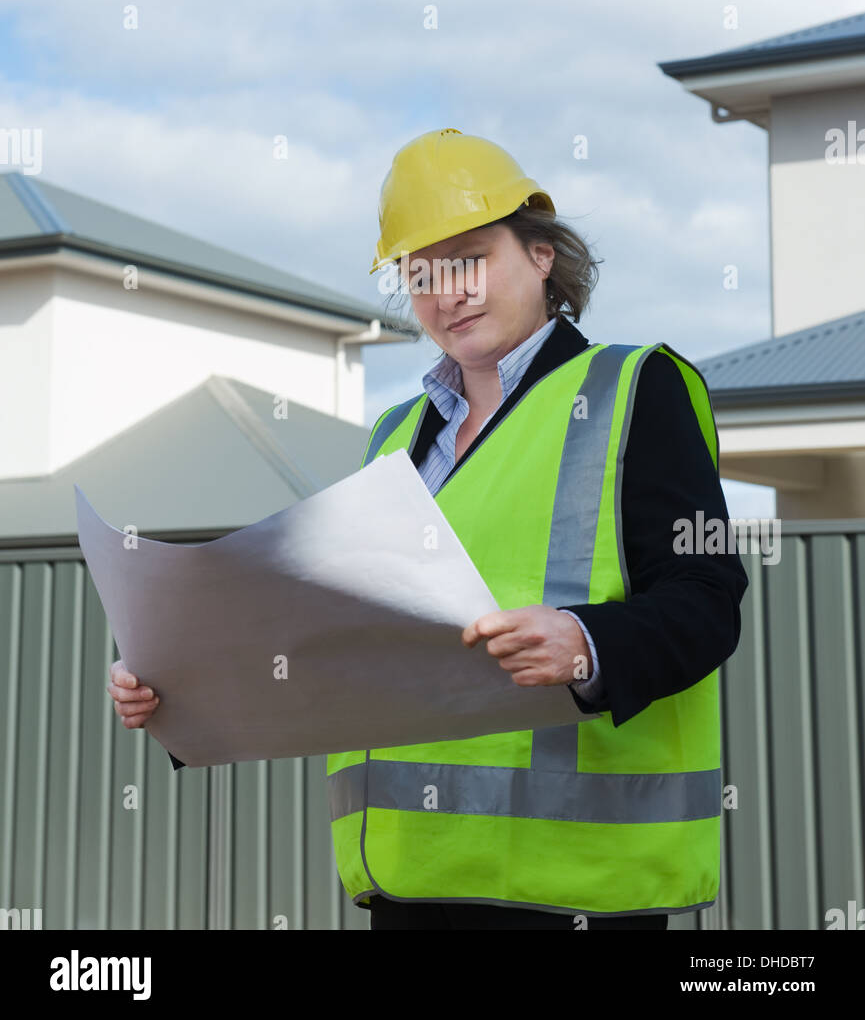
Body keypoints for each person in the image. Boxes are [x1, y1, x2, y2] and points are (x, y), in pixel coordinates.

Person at [108, 126, 749, 933]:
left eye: (470, 257)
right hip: (408, 884)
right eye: (421, 273)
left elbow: (707, 598)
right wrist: (182, 689)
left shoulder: (632, 387)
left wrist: (586, 643)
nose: (448, 292)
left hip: (576, 895)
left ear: (540, 255)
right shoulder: (393, 436)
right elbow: (336, 644)